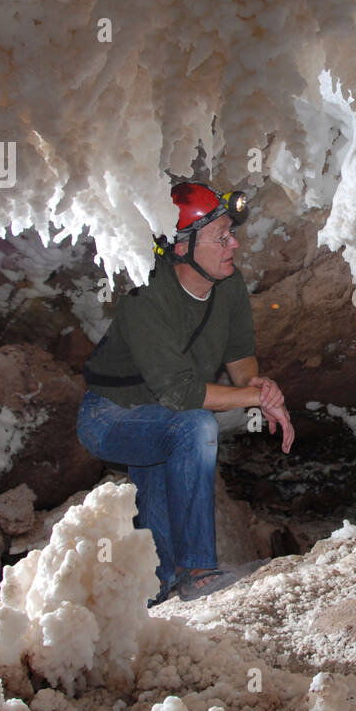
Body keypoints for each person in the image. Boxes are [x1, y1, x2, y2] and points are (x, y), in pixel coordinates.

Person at [75, 180, 295, 605]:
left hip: (161, 417)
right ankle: (198, 572)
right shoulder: (145, 297)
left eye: (231, 232)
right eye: (220, 237)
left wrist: (260, 388)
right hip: (110, 416)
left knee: (158, 565)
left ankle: (162, 593)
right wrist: (254, 400)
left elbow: (239, 355)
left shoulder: (229, 285)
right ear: (181, 248)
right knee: (193, 425)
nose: (233, 244)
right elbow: (181, 392)